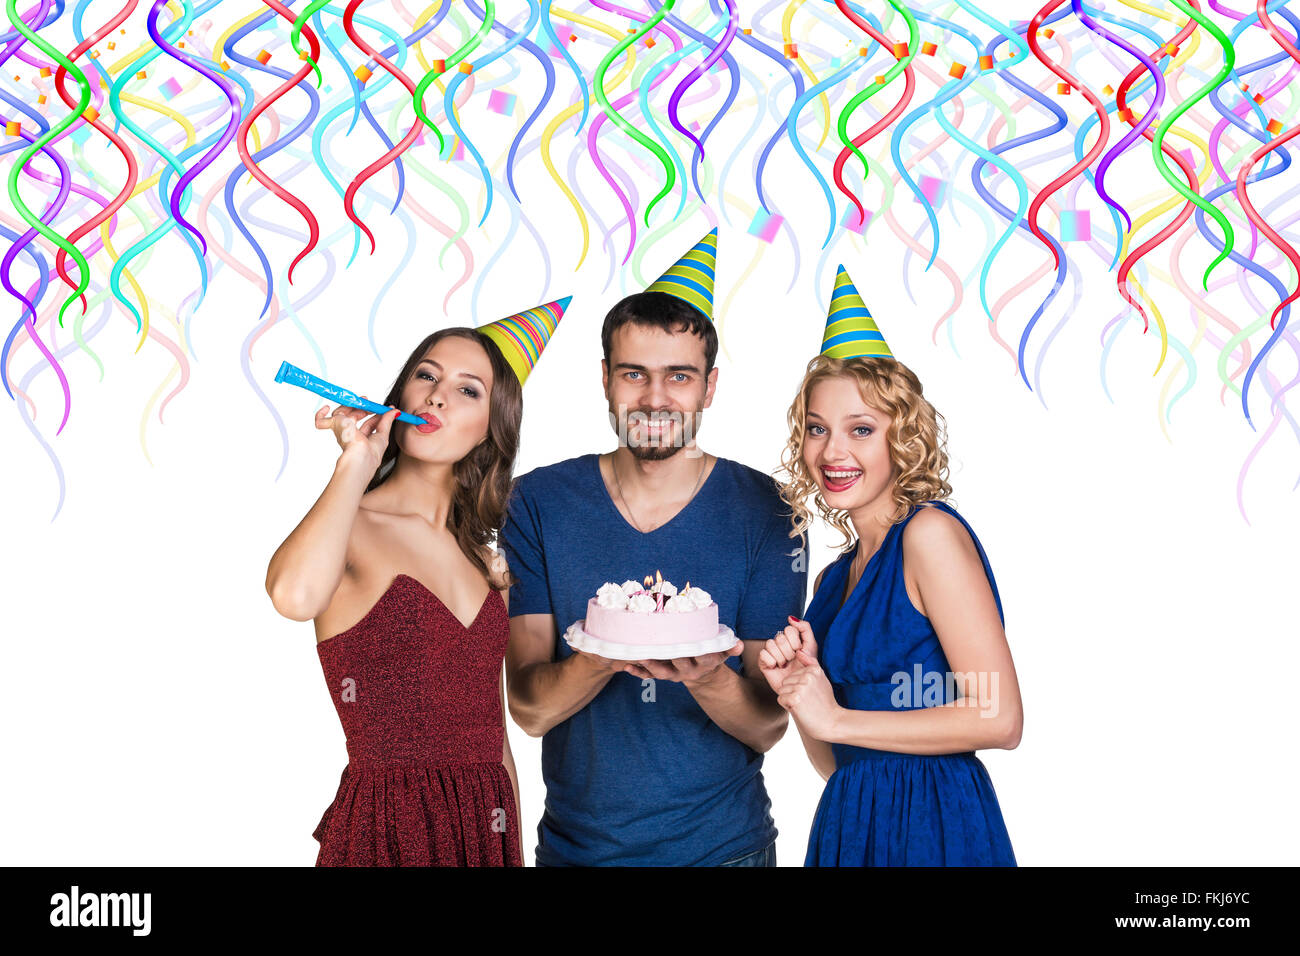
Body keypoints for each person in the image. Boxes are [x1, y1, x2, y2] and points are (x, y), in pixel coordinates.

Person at [500, 230, 807, 866]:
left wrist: (704, 675)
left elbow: (767, 724)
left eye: (680, 376)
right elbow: (528, 710)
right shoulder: (534, 503)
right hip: (577, 852)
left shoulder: (771, 513)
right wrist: (609, 650)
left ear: (710, 386)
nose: (656, 399)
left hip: (725, 852)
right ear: (606, 379)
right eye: (634, 374)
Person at [265, 298, 569, 866]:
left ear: (488, 432)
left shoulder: (489, 563)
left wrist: (513, 849)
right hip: (386, 829)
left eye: (467, 390)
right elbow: (293, 596)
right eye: (426, 376)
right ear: (400, 396)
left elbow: (493, 735)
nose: (437, 395)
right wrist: (356, 461)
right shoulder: (351, 526)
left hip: (483, 827)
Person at [760, 266, 1021, 866]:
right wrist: (803, 693)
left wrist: (838, 716)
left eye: (861, 430)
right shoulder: (830, 582)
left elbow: (999, 716)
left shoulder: (929, 536)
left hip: (934, 821)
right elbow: (834, 759)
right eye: (818, 430)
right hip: (853, 822)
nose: (834, 452)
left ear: (899, 439)